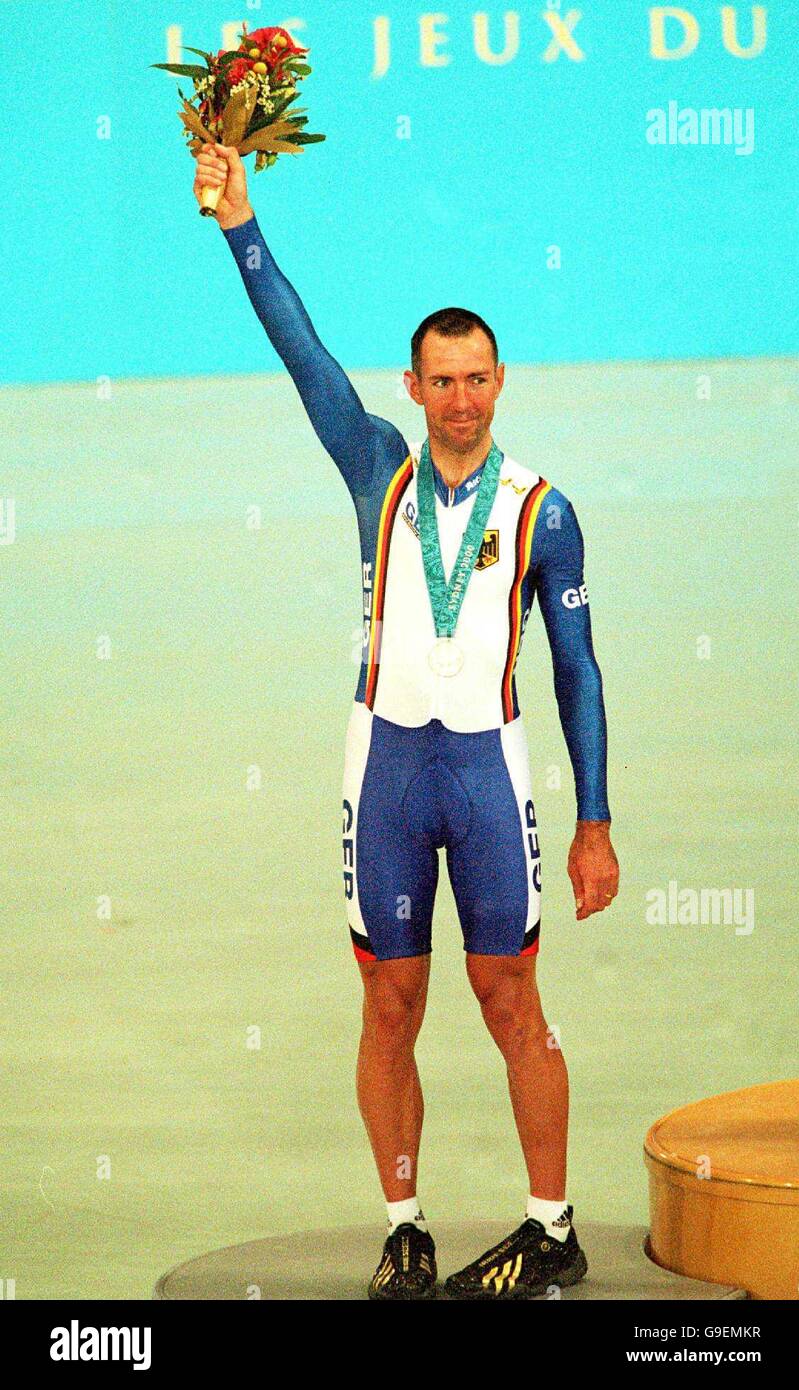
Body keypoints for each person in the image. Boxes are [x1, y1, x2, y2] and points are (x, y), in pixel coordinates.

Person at [194, 142, 620, 1300]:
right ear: (414, 386)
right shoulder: (372, 463)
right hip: (383, 771)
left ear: (500, 380)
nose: (462, 397)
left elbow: (577, 667)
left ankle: (552, 1224)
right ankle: (404, 1227)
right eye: (441, 379)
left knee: (509, 996)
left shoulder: (544, 508)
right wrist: (241, 224)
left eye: (479, 377)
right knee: (390, 998)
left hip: (487, 775)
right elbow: (301, 354)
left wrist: (595, 821)